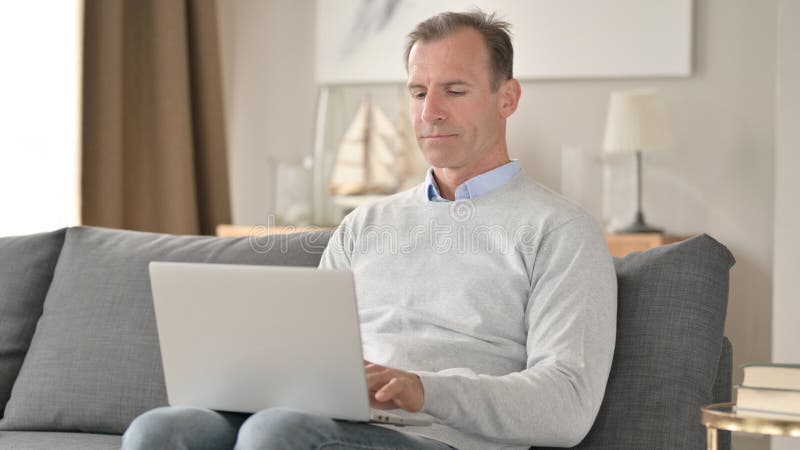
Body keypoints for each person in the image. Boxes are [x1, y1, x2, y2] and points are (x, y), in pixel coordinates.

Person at [122, 10, 616, 450]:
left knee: (276, 434)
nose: (430, 112)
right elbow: (306, 351)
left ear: (507, 97)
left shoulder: (561, 230)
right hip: (330, 418)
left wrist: (423, 389)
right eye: (419, 92)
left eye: (455, 91)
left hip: (442, 437)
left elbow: (567, 404)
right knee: (160, 432)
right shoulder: (365, 224)